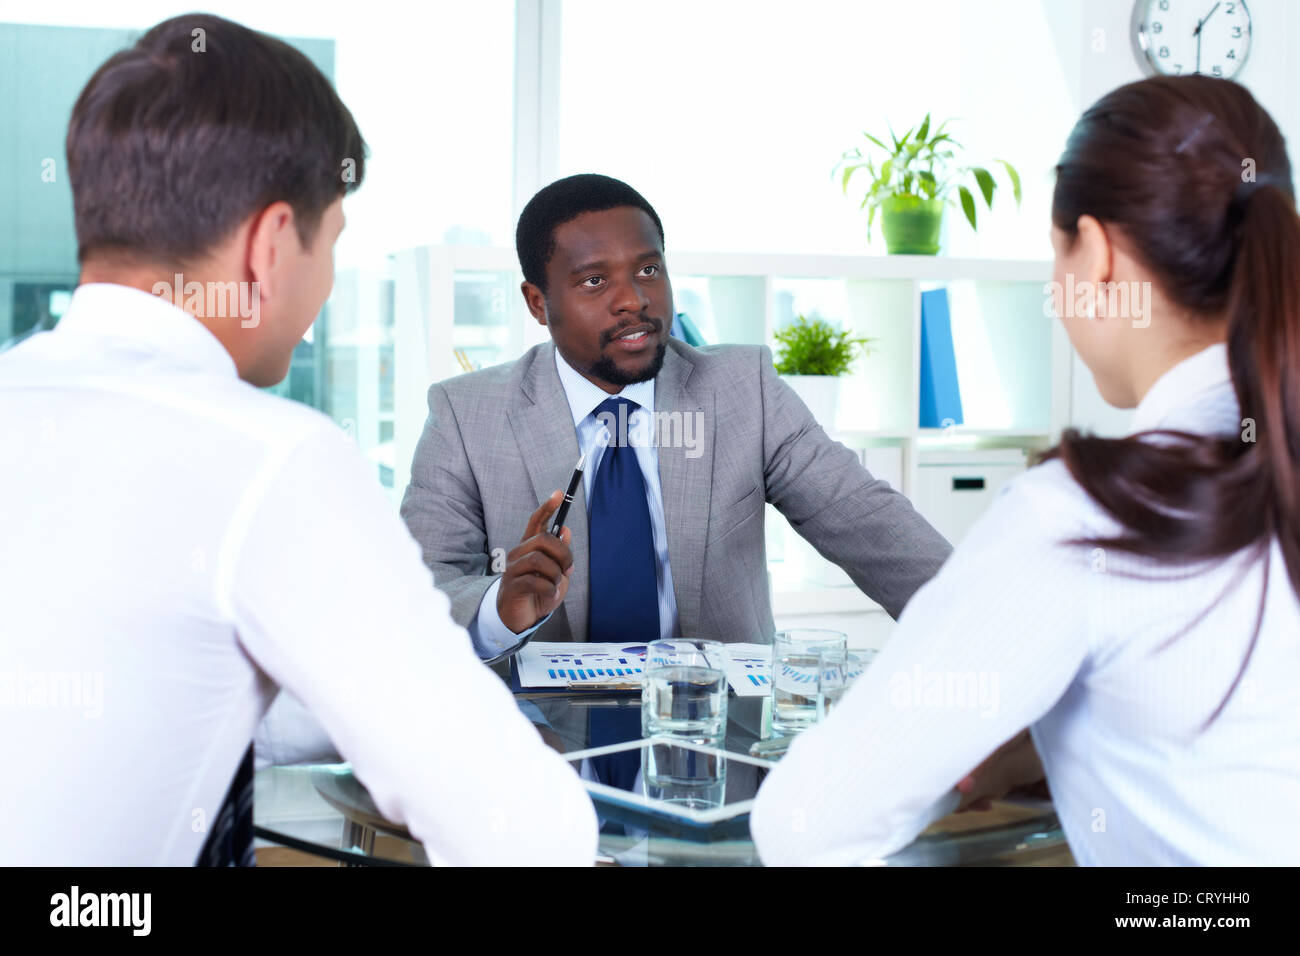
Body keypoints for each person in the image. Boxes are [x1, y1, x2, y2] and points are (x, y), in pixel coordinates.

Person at [0, 14, 596, 866]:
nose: (324, 291)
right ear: (272, 244)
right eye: (334, 244)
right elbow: (525, 826)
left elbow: (150, 694)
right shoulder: (268, 454)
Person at [750, 74, 1300, 866]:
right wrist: (1050, 741)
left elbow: (805, 824)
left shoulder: (1089, 515)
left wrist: (960, 764)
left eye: (1057, 255)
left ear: (1099, 254)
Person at [400, 174, 953, 661]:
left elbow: (869, 523)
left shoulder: (743, 390)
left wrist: (997, 635)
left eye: (648, 269)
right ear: (538, 303)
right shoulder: (465, 416)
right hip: (541, 750)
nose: (633, 300)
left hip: (714, 743)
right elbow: (420, 596)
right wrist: (501, 607)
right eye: (595, 281)